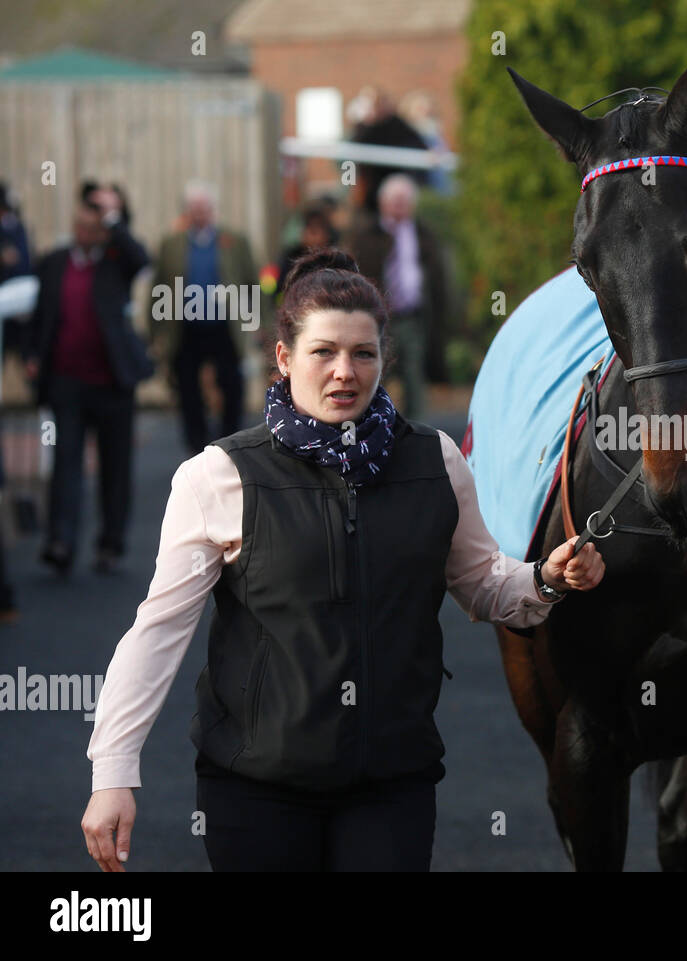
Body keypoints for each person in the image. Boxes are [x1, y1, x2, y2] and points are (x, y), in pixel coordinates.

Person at [80, 250, 606, 872]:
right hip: (256, 788)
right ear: (283, 358)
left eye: (363, 354)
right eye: (322, 352)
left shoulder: (434, 462)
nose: (344, 373)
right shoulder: (218, 476)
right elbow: (157, 632)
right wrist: (113, 770)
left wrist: (545, 577)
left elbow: (482, 582)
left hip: (392, 781)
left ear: (385, 357)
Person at [24, 190, 153, 575]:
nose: (83, 232)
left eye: (92, 226)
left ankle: (110, 544)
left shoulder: (116, 262)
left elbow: (142, 260)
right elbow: (40, 315)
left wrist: (114, 221)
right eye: (79, 224)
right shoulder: (54, 262)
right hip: (66, 383)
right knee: (65, 464)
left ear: (103, 232)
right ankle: (60, 542)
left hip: (113, 383)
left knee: (115, 467)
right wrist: (32, 354)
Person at [155, 181, 260, 456]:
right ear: (187, 212)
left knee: (231, 385)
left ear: (213, 210)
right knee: (188, 389)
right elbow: (158, 289)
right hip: (186, 328)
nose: (200, 213)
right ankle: (196, 446)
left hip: (223, 326)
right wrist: (157, 332)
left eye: (204, 207)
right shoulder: (171, 244)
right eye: (194, 208)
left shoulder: (234, 241)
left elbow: (253, 283)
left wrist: (260, 323)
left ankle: (230, 443)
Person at [348, 173, 451, 418]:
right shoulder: (367, 235)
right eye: (394, 200)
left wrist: (441, 314)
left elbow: (438, 278)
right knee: (376, 376)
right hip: (377, 318)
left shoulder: (423, 234)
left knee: (414, 378)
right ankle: (373, 430)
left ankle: (415, 437)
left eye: (404, 200)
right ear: (383, 203)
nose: (399, 206)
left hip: (413, 317)